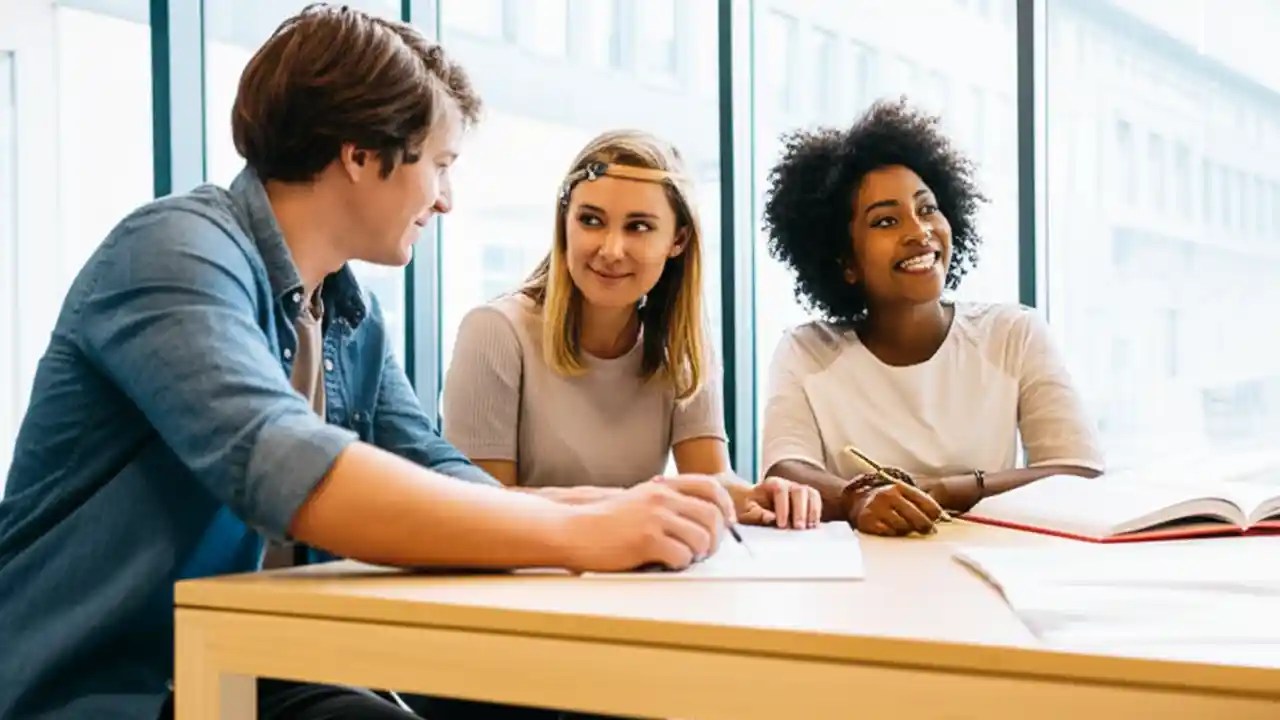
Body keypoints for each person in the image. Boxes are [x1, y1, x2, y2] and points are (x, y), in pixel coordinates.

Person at [0, 7, 734, 719]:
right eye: (440, 165)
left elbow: (444, 478)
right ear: (360, 153)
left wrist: (616, 509)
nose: (445, 200)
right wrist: (582, 535)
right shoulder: (174, 251)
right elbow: (282, 461)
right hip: (100, 687)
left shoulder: (349, 315)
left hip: (244, 672)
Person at [758, 98, 1105, 538]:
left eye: (926, 209)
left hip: (993, 567)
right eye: (886, 221)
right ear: (845, 261)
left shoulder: (1013, 334)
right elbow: (787, 472)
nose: (919, 231)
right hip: (862, 578)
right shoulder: (807, 351)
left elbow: (1080, 474)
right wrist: (858, 497)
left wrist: (946, 490)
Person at [442, 130, 820, 530]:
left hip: (630, 571)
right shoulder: (495, 332)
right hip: (527, 577)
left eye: (638, 227)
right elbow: (481, 503)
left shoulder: (683, 346)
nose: (610, 250)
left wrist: (760, 496)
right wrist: (631, 506)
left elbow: (711, 479)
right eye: (591, 221)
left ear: (678, 240)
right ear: (564, 224)